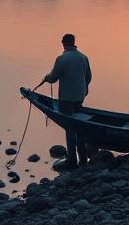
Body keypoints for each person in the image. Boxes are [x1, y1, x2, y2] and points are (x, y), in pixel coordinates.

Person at [41, 33, 92, 168]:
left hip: (66, 98)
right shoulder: (83, 57)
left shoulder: (62, 59)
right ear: (74, 43)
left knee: (69, 126)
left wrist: (46, 77)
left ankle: (71, 159)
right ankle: (83, 156)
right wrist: (84, 89)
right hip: (80, 96)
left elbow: (53, 77)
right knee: (79, 124)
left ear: (63, 43)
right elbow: (89, 77)